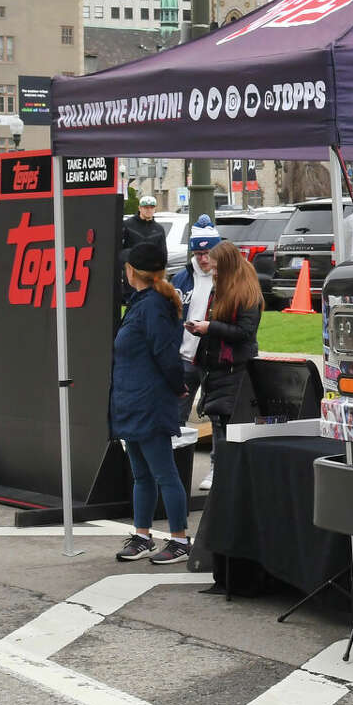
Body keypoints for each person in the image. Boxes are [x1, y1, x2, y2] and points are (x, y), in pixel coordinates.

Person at [111, 240, 192, 564]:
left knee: (164, 474)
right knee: (141, 474)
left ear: (133, 272)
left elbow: (165, 354)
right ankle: (142, 535)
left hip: (149, 401)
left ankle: (180, 540)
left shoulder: (154, 306)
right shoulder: (141, 301)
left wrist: (177, 386)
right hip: (132, 400)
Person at [187, 240, 264, 489]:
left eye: (217, 268)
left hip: (234, 370)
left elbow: (245, 331)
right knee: (218, 422)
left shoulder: (246, 291)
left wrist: (210, 327)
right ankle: (222, 475)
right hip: (218, 367)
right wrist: (203, 329)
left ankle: (224, 477)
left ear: (229, 266)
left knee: (226, 425)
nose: (214, 272)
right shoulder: (223, 287)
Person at [173, 217, 222, 429]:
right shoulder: (181, 279)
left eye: (208, 253)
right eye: (199, 254)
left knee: (219, 419)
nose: (203, 259)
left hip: (214, 360)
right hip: (184, 358)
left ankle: (218, 462)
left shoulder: (226, 279)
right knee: (175, 419)